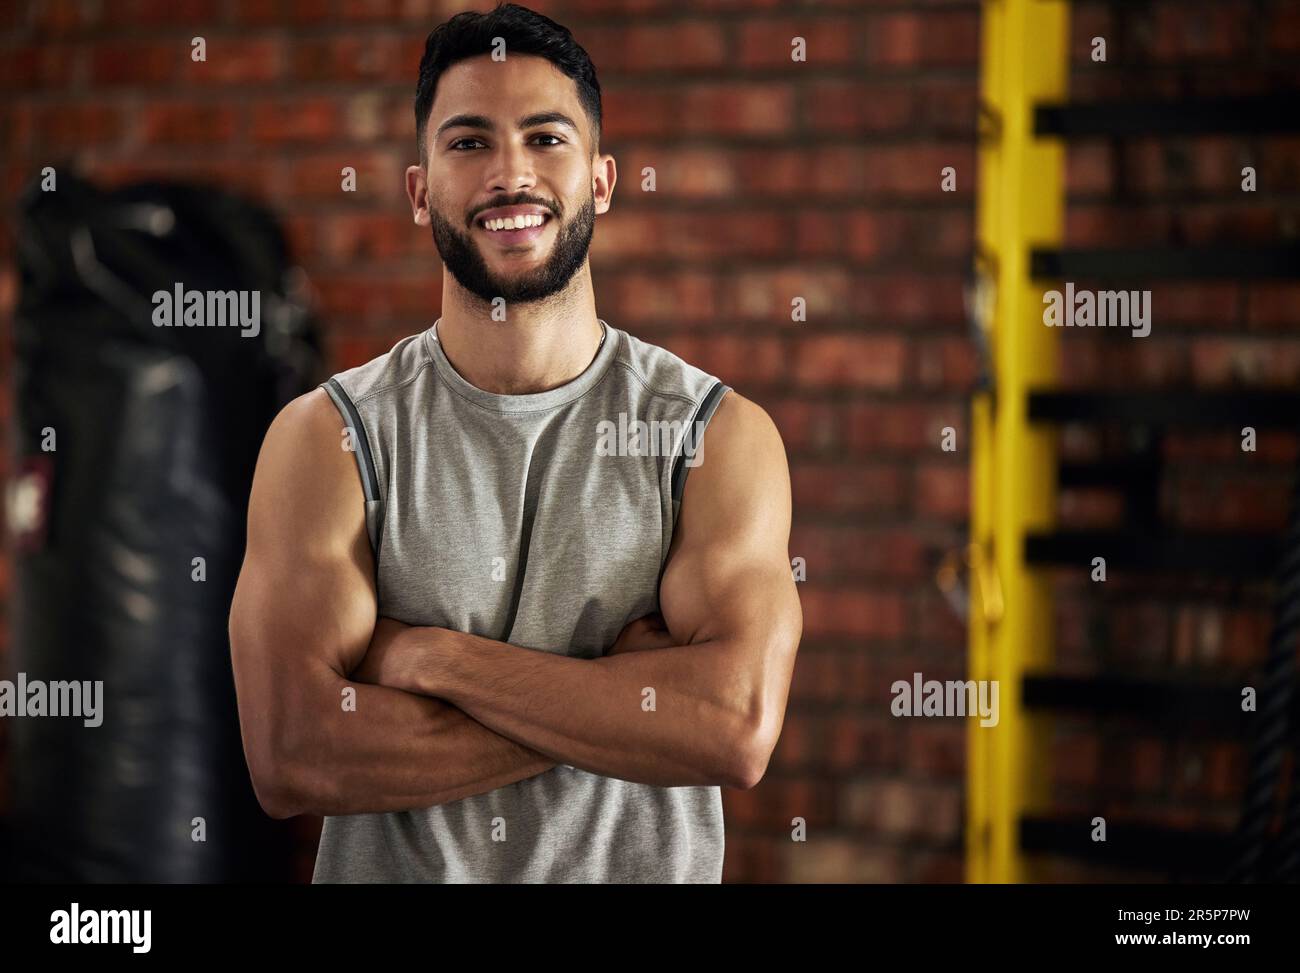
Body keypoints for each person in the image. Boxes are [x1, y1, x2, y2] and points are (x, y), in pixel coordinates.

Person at [229, 3, 801, 883]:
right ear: (419, 190)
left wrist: (435, 658)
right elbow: (293, 753)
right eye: (468, 143)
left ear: (601, 181)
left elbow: (732, 728)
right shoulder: (330, 438)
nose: (510, 174)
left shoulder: (713, 438)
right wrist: (618, 697)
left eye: (546, 138)